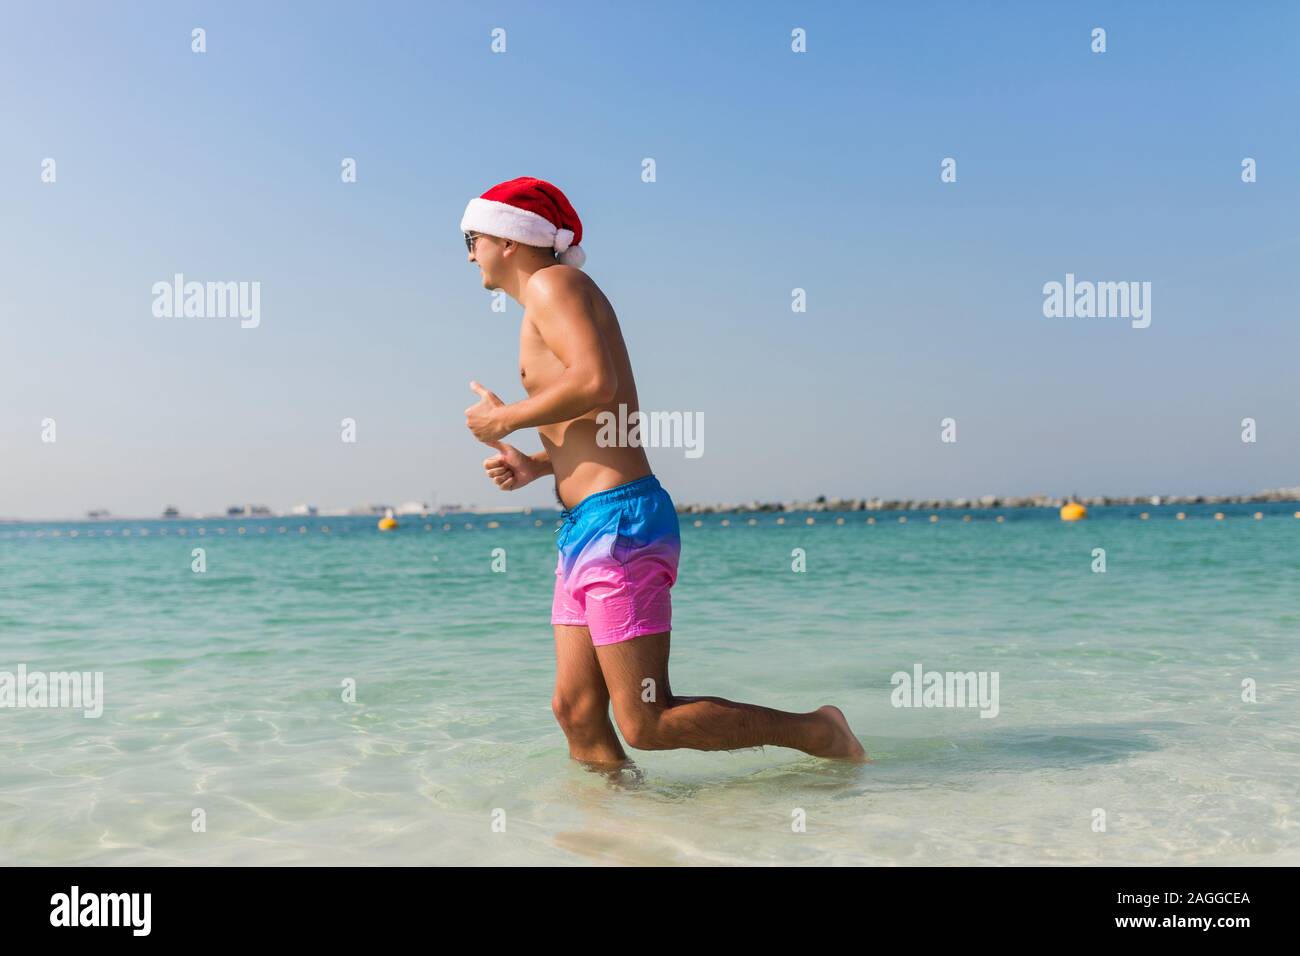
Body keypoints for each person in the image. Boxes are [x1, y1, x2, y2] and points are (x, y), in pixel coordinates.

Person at [461, 177, 868, 767]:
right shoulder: (548, 299)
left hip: (620, 522)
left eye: (471, 238)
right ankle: (619, 835)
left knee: (646, 721)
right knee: (575, 710)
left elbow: (596, 381)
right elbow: (608, 415)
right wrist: (537, 465)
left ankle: (819, 732)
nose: (469, 252)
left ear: (508, 239)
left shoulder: (554, 284)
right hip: (586, 527)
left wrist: (505, 420)